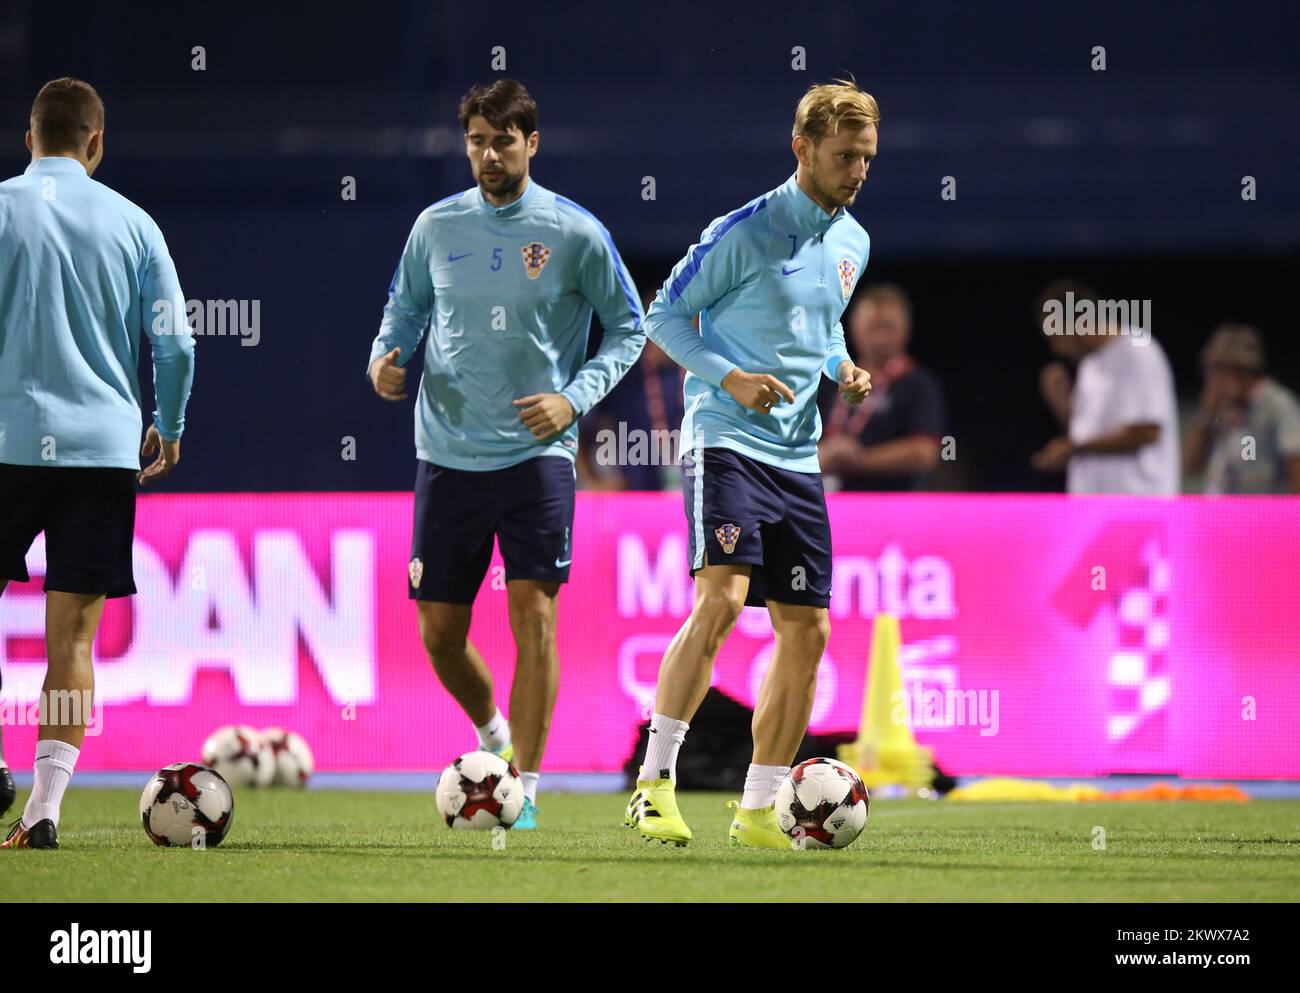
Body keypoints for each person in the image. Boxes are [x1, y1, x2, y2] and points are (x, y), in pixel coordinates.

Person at [367, 79, 644, 829]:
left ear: (533, 143)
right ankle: (492, 733)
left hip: (538, 456)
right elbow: (402, 313)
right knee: (438, 633)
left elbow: (629, 328)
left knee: (536, 619)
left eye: (503, 141)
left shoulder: (574, 232)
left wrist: (573, 398)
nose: (489, 155)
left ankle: (526, 786)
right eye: (477, 142)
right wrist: (383, 360)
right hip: (448, 453)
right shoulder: (434, 226)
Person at [624, 78, 876, 849]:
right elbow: (662, 316)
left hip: (797, 460)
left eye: (866, 158)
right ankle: (654, 785)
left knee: (809, 630)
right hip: (726, 439)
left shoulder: (853, 242)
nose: (857, 172)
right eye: (843, 156)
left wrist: (843, 366)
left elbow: (820, 328)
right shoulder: (744, 231)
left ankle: (758, 807)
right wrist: (728, 376)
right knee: (724, 600)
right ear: (802, 149)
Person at [0, 78, 195, 848]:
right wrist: (169, 425)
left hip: (6, 444)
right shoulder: (134, 223)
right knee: (72, 642)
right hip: (102, 454)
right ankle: (44, 811)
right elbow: (176, 340)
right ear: (96, 145)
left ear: (28, 140)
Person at [1032, 279, 1179, 494]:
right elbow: (1084, 436)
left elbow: (1147, 432)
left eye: (1056, 337)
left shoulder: (1138, 351)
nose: (1057, 349)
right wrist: (1061, 403)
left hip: (1138, 509)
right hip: (1095, 512)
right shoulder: (1089, 366)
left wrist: (1074, 447)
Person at [817, 283, 945, 490]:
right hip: (827, 502)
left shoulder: (918, 384)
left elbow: (926, 452)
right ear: (854, 326)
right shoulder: (829, 379)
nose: (880, 337)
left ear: (906, 329)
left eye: (888, 327)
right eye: (872, 327)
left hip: (891, 506)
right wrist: (820, 457)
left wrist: (860, 460)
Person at [1184, 323, 1300, 494]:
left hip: (1261, 515)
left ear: (1244, 371)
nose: (1214, 379)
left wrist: (1290, 518)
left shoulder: (1277, 405)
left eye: (1221, 370)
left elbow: (1296, 469)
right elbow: (1189, 466)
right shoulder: (1219, 406)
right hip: (1218, 513)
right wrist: (1206, 413)